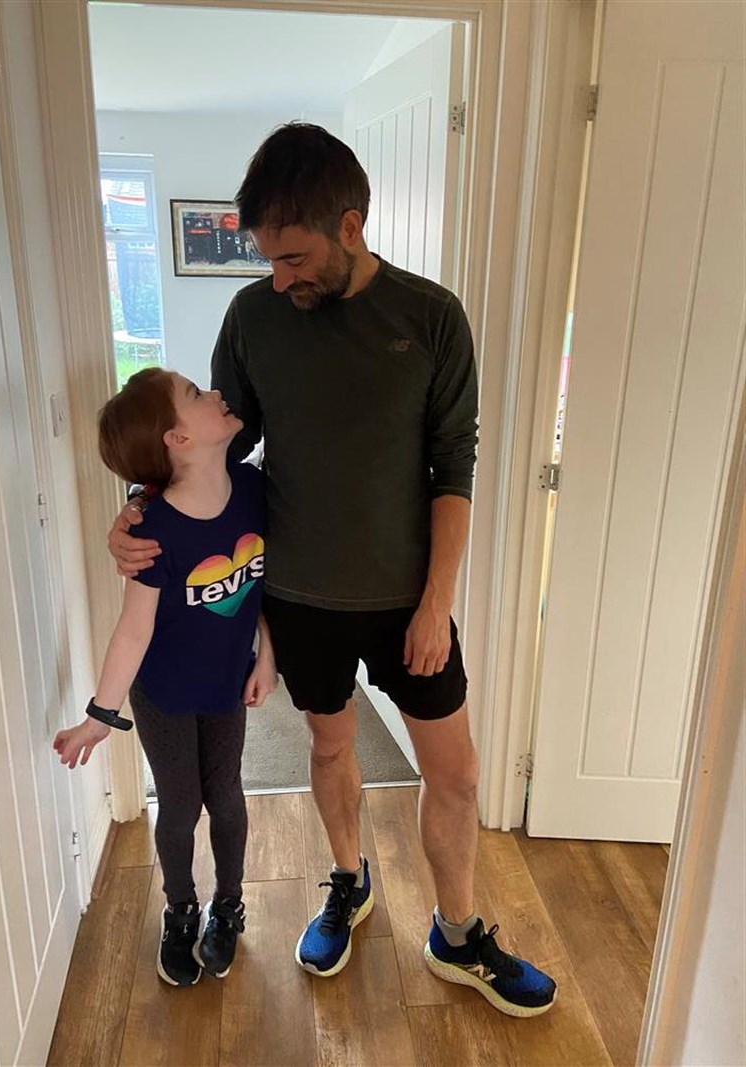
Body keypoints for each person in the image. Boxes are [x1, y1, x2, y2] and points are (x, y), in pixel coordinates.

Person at [110, 125, 556, 1018]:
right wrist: (137, 506)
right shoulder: (254, 319)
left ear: (350, 225)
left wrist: (437, 602)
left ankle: (457, 931)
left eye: (293, 257)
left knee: (457, 772)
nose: (279, 279)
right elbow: (211, 448)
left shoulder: (431, 317)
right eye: (267, 260)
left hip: (407, 603)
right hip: (300, 599)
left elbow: (454, 466)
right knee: (329, 745)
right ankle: (348, 882)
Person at [56, 367, 276, 987]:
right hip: (165, 694)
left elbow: (264, 587)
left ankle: (228, 905)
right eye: (195, 394)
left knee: (226, 796)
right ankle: (180, 910)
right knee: (180, 806)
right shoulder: (153, 528)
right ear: (177, 440)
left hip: (228, 682)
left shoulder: (254, 489)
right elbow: (134, 630)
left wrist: (267, 656)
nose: (216, 393)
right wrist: (100, 716)